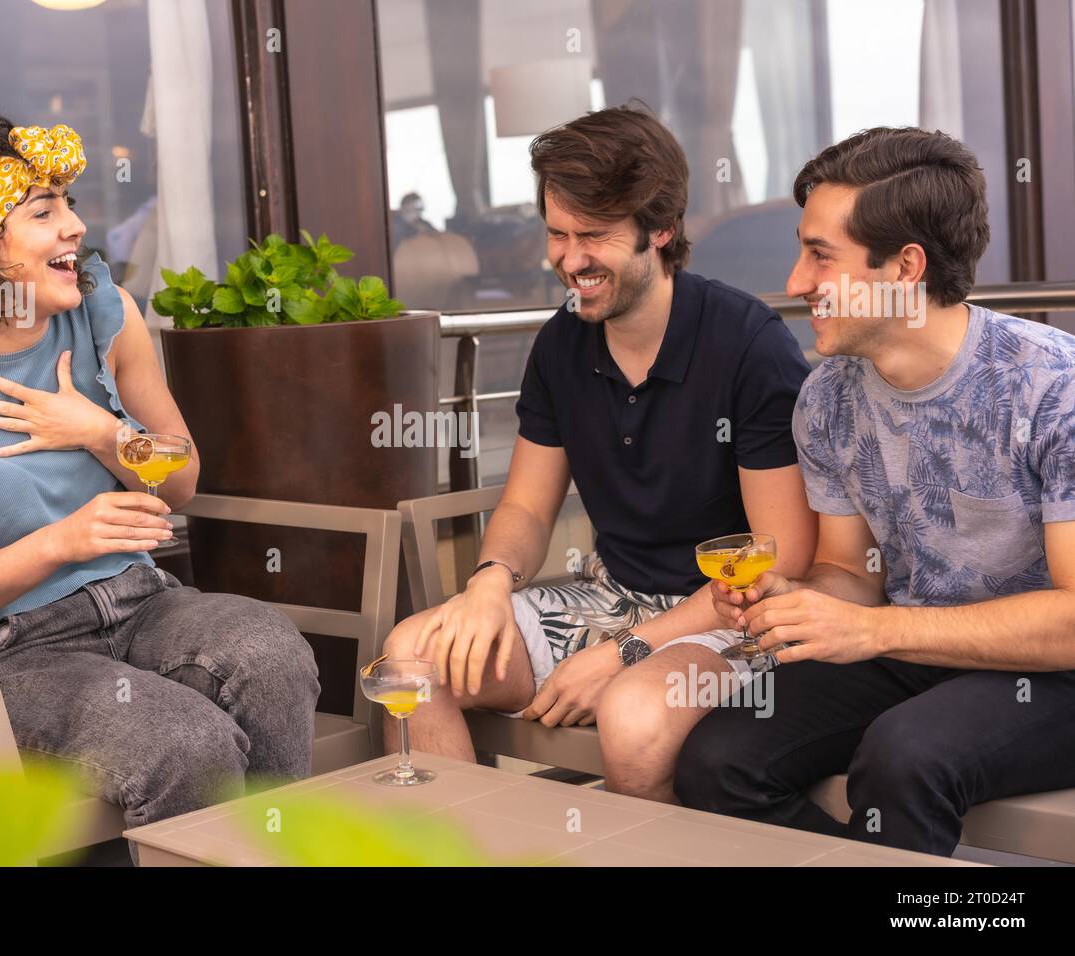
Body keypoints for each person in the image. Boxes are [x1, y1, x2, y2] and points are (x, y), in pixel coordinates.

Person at [0, 111, 319, 863]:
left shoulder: (107, 317)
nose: (76, 229)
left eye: (71, 206)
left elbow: (180, 479)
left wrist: (99, 431)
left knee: (272, 654)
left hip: (146, 604)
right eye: (45, 212)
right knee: (183, 740)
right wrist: (64, 539)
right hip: (17, 656)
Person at [379, 102, 817, 802]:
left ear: (661, 230)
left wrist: (623, 655)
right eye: (556, 234)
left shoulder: (746, 343)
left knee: (634, 715)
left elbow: (780, 556)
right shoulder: (561, 345)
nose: (569, 260)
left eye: (594, 236)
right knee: (411, 656)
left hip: (735, 615)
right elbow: (526, 502)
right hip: (612, 597)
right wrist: (489, 582)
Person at [678, 127, 1075, 856]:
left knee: (904, 757)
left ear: (904, 266)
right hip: (915, 648)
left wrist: (875, 631)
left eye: (820, 256)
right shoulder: (826, 398)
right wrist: (796, 598)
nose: (796, 283)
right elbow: (851, 574)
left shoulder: (1052, 387)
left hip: (1050, 672)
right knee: (715, 762)